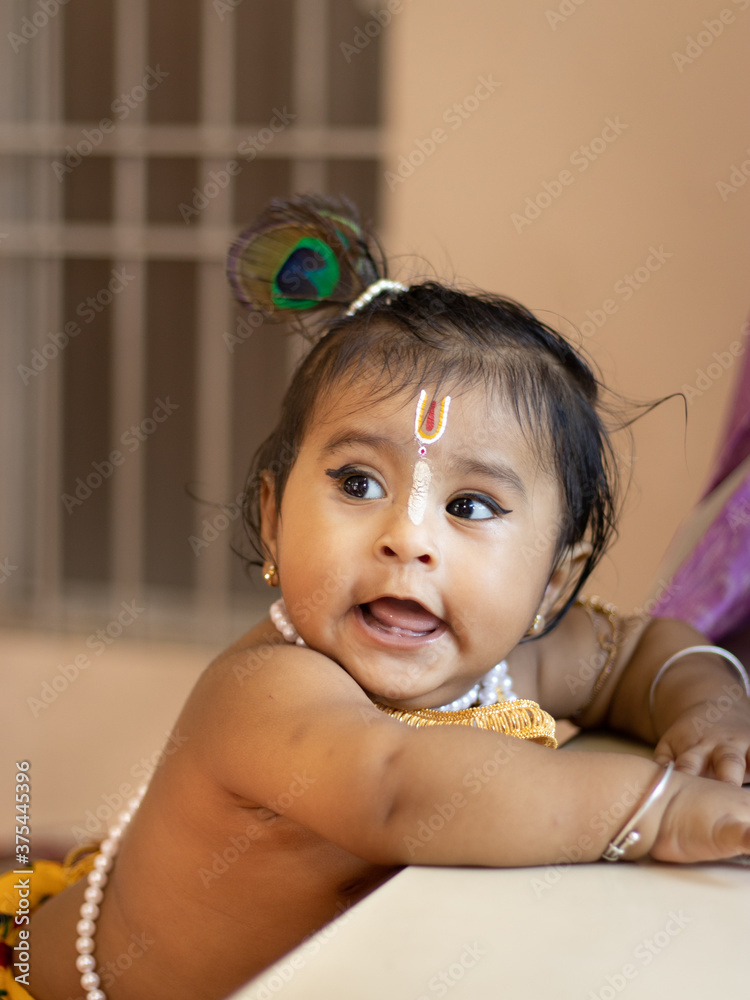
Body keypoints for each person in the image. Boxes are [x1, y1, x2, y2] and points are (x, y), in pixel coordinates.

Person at [6, 195, 750, 1000]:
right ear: (272, 519)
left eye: (469, 506)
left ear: (552, 585)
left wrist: (709, 719)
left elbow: (646, 652)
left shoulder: (520, 657)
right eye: (359, 484)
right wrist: (660, 809)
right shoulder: (267, 692)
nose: (408, 537)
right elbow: (401, 789)